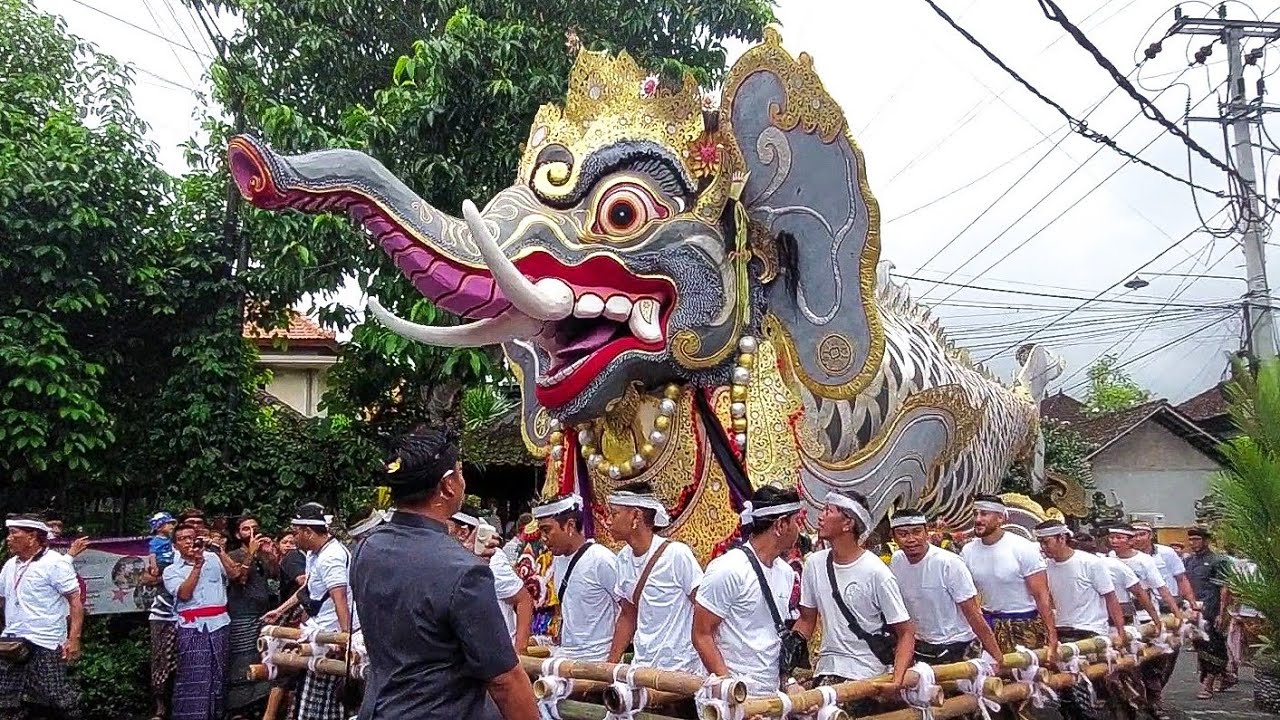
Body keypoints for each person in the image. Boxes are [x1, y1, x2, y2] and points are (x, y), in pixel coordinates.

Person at [351, 430, 537, 720]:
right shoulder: (464, 571)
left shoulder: (367, 549)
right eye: (461, 473)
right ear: (448, 485)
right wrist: (463, 563)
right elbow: (504, 681)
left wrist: (461, 560)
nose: (464, 482)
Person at [792, 490, 914, 708]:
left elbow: (905, 632)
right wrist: (787, 655)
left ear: (847, 523)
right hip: (827, 671)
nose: (820, 516)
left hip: (866, 675)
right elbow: (807, 620)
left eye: (828, 511)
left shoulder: (877, 572)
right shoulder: (814, 564)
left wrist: (897, 680)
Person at [693, 488, 803, 696]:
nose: (800, 529)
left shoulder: (786, 573)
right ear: (780, 525)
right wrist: (732, 694)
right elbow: (701, 634)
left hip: (769, 695)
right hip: (731, 696)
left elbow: (773, 638)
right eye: (796, 521)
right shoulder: (727, 568)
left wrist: (787, 682)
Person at [605, 483, 704, 674]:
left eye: (614, 514)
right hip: (642, 666)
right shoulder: (623, 559)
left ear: (636, 516)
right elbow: (628, 614)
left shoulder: (676, 554)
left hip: (679, 668)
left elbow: (702, 606)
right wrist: (610, 666)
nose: (608, 521)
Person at [1035, 520, 1128, 720]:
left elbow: (1111, 597)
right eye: (1040, 543)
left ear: (1062, 538)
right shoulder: (1044, 568)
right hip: (1061, 632)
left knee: (1095, 687)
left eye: (1046, 542)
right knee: (1066, 691)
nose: (1043, 548)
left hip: (1090, 631)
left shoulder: (1091, 563)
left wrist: (1120, 633)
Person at [888, 508, 1002, 666]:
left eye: (916, 532)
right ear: (893, 537)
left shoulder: (949, 563)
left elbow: (974, 614)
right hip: (921, 646)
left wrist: (996, 657)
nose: (911, 539)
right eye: (903, 534)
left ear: (927, 533)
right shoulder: (897, 560)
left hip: (957, 646)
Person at [0, 514, 85, 720]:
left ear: (32, 537)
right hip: (13, 640)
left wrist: (73, 639)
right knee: (6, 698)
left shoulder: (55, 563)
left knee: (56, 698)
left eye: (14, 534)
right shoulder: (9, 565)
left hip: (46, 640)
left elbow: (75, 601)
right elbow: (3, 601)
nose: (8, 539)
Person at [960, 495, 1058, 658]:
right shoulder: (968, 551)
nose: (978, 519)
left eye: (984, 514)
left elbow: (1042, 595)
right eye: (975, 514)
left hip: (1024, 625)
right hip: (988, 625)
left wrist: (1052, 637)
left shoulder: (1022, 548)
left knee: (1028, 677)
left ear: (1000, 518)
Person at [284, 503, 355, 720]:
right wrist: (279, 611)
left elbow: (339, 596)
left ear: (308, 532)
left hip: (331, 633)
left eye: (296, 532)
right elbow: (307, 591)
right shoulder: (314, 554)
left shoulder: (331, 555)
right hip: (319, 629)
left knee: (333, 703)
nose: (293, 538)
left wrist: (346, 637)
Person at [164, 521, 241, 720]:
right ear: (175, 545)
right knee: (193, 677)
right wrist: (197, 565)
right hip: (192, 627)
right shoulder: (171, 570)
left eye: (192, 537)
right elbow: (184, 594)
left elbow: (235, 574)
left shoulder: (214, 558)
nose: (189, 542)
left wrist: (219, 550)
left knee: (219, 675)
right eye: (182, 539)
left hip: (220, 624)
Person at [1108, 524, 1183, 720]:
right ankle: (1127, 703)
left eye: (1119, 538)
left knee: (1152, 662)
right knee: (1124, 665)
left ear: (1130, 540)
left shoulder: (1144, 561)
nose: (1115, 541)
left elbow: (1161, 588)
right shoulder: (1107, 559)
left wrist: (1175, 613)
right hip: (1120, 618)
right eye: (1112, 538)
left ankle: (1154, 700)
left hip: (1146, 615)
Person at [532, 495, 618, 661]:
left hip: (597, 660)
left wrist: (611, 663)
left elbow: (628, 611)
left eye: (547, 530)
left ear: (570, 525)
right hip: (566, 656)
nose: (543, 538)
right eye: (541, 531)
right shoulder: (557, 560)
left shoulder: (600, 559)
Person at [449, 504, 533, 653]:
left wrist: (518, 651)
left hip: (497, 655)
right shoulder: (448, 558)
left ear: (462, 532)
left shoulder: (493, 559)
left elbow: (523, 600)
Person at [226, 515, 276, 715]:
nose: (253, 532)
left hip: (263, 615)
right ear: (239, 534)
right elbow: (240, 579)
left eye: (255, 527)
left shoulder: (262, 554)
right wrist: (251, 553)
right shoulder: (233, 555)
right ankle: (239, 708)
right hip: (241, 615)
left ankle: (258, 705)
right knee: (243, 659)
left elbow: (273, 576)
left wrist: (270, 554)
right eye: (247, 529)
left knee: (262, 656)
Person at [1183, 527, 1232, 699]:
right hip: (1194, 610)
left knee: (1213, 645)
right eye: (1191, 540)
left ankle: (1208, 684)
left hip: (1212, 609)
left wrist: (1222, 613)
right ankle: (1226, 675)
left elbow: (1225, 589)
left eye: (1196, 539)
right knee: (1200, 646)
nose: (1193, 543)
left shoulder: (1219, 561)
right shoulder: (1188, 561)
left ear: (1206, 541)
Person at [140, 511, 180, 720]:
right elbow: (147, 576)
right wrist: (161, 575)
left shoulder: (184, 550)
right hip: (163, 614)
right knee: (160, 662)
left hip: (188, 615)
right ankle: (160, 707)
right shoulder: (158, 545)